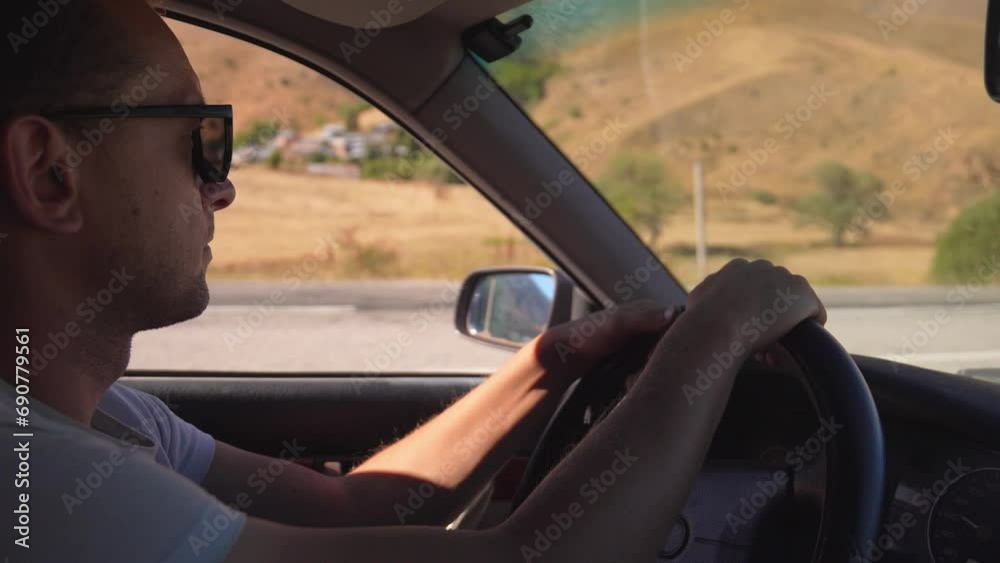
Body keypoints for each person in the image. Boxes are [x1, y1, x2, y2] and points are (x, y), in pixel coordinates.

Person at [0, 1, 826, 561]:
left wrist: (551, 361)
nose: (222, 185)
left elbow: (351, 508)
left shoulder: (104, 416)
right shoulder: (40, 478)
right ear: (49, 174)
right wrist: (719, 332)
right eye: (200, 138)